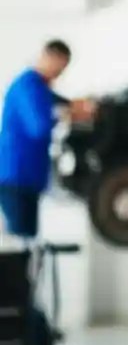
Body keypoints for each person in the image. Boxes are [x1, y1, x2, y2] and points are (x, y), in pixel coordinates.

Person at [0, 40, 96, 239]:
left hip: (27, 176)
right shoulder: (28, 86)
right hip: (16, 175)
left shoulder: (39, 87)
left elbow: (58, 102)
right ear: (48, 57)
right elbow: (39, 126)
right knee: (21, 238)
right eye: (59, 67)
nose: (59, 74)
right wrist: (70, 114)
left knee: (28, 236)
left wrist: (78, 106)